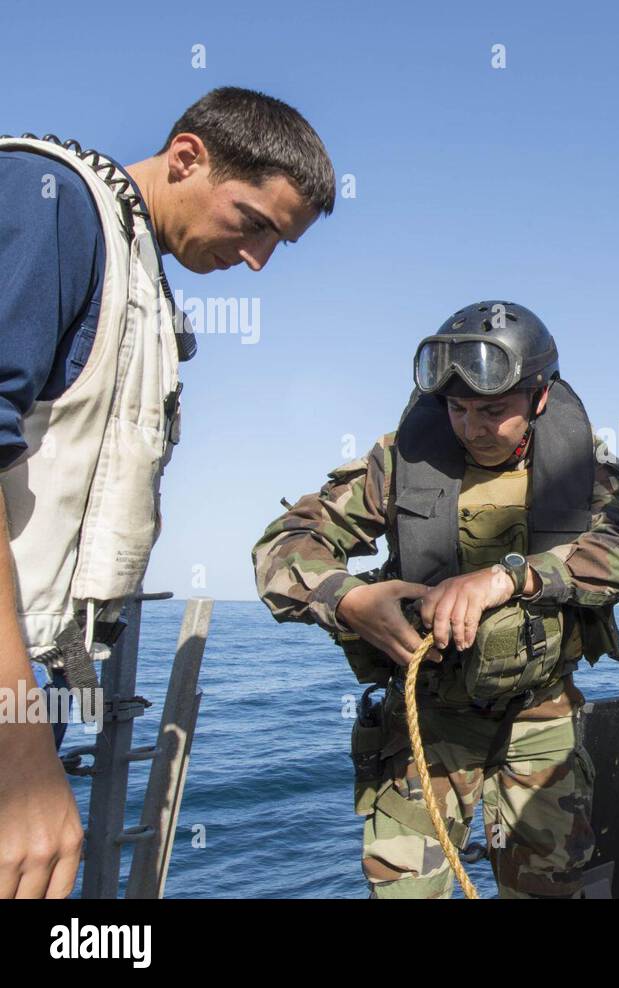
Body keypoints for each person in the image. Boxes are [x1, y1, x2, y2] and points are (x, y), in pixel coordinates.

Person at [0, 87, 335, 899]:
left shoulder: (133, 261)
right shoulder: (50, 206)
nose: (258, 261)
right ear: (187, 156)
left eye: (279, 244)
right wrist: (17, 754)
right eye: (255, 222)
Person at [252, 301, 619, 898]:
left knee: (549, 888)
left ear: (540, 399)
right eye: (458, 410)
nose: (472, 427)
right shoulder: (399, 461)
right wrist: (347, 600)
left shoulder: (583, 464)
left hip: (539, 714)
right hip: (430, 716)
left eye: (494, 410)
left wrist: (510, 577)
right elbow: (284, 548)